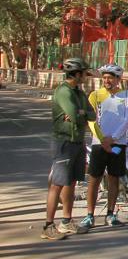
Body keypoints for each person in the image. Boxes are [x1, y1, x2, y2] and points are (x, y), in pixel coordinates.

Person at [43, 58, 95, 240]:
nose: (86, 77)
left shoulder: (79, 93)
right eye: (84, 73)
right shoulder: (63, 92)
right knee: (57, 184)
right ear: (77, 73)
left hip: (78, 142)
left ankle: (66, 221)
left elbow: (92, 114)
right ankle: (48, 225)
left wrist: (81, 114)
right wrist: (80, 114)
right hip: (64, 142)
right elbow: (75, 116)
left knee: (72, 182)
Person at [80, 64, 128, 231]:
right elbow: (91, 119)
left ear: (118, 79)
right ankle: (89, 214)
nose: (107, 80)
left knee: (114, 179)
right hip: (99, 144)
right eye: (104, 78)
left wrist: (114, 138)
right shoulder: (95, 95)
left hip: (118, 144)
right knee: (94, 179)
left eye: (110, 77)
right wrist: (103, 139)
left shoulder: (126, 96)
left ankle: (110, 213)